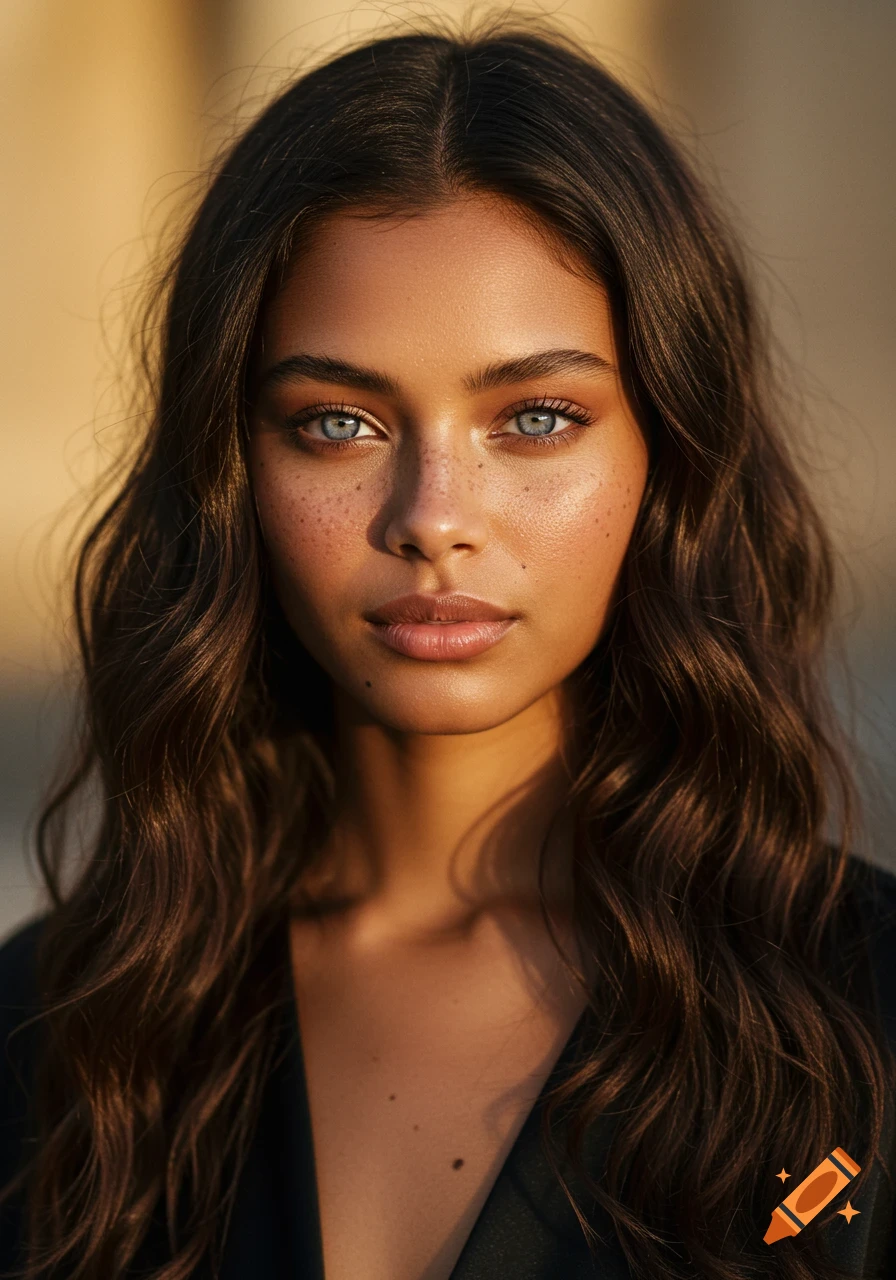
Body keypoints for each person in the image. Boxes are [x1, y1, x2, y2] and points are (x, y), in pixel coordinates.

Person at [1, 14, 895, 1280]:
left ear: (667, 453)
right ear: (230, 467)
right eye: (336, 422)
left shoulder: (864, 1014)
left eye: (533, 417)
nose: (431, 516)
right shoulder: (57, 1036)